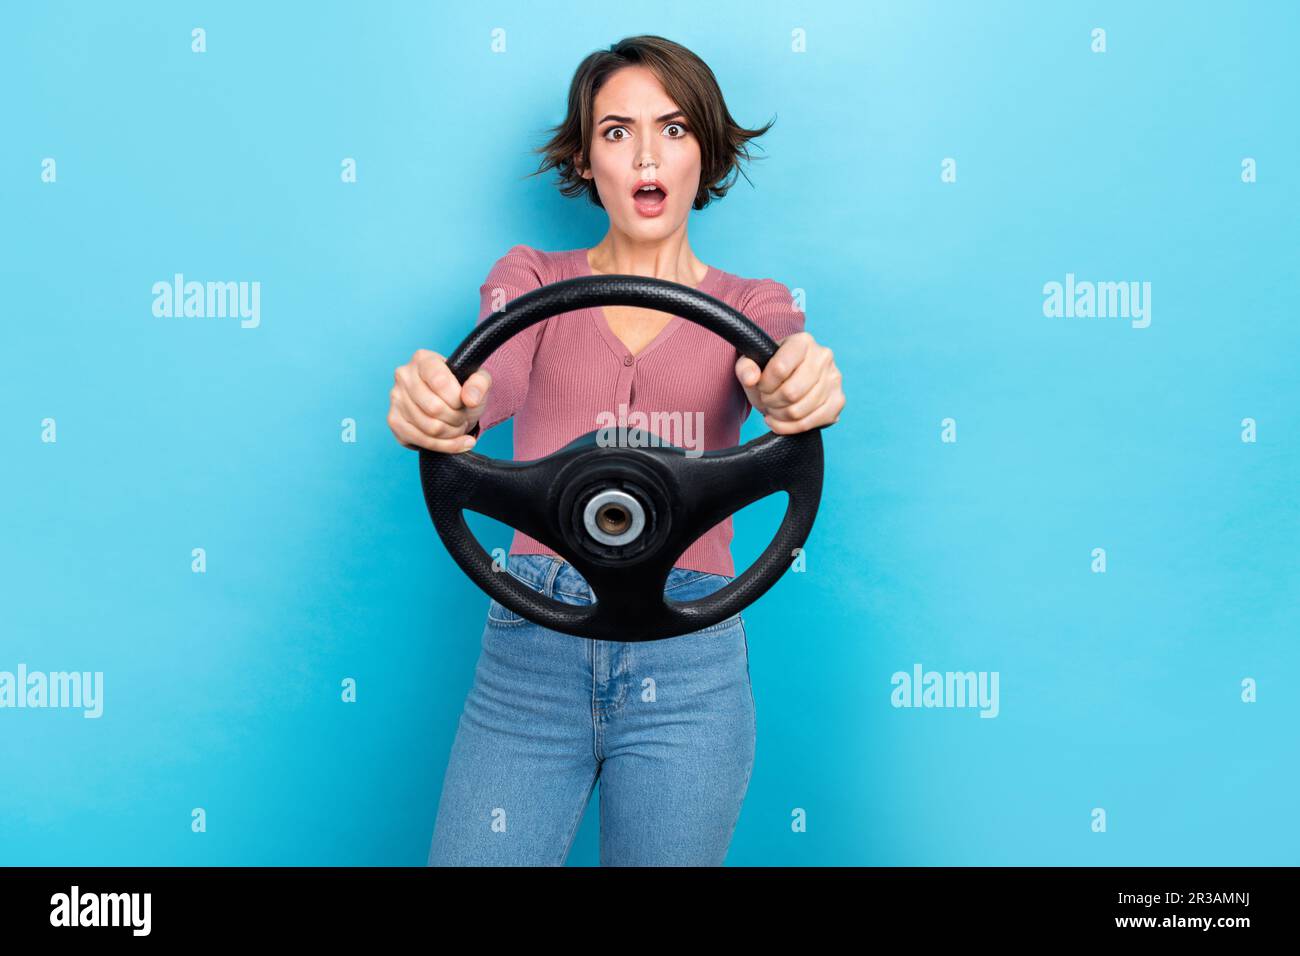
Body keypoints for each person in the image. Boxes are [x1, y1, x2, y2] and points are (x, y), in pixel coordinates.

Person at [388, 35, 845, 866]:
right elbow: (491, 378)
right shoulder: (529, 276)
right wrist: (445, 404)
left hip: (692, 656)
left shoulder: (756, 301)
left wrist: (797, 388)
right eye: (616, 131)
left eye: (673, 130)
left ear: (704, 152)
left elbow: (777, 365)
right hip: (533, 641)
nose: (645, 154)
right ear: (585, 159)